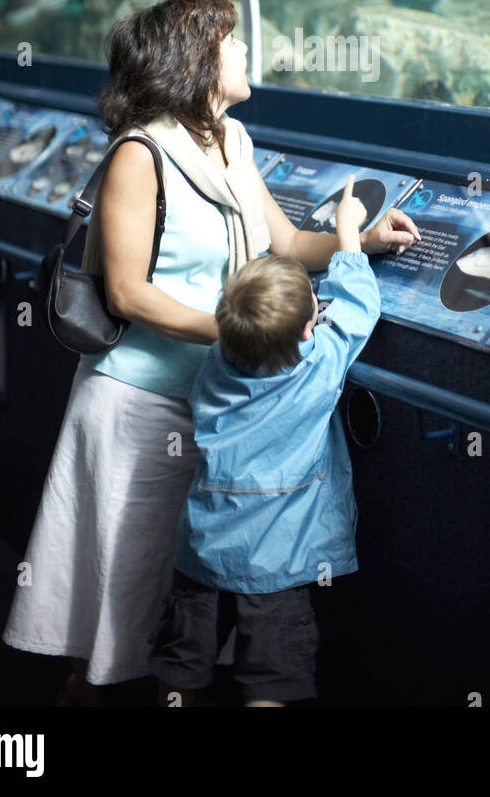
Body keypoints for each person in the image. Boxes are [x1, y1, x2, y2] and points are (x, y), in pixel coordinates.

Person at [3, 0, 419, 705]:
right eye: (232, 39)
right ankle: (84, 689)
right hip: (141, 402)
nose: (245, 49)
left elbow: (284, 243)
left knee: (185, 594)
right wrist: (236, 328)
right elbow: (129, 294)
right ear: (197, 59)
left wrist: (364, 241)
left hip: (218, 402)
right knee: (122, 583)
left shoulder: (231, 140)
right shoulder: (141, 154)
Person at [147, 174, 384, 707]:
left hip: (202, 552)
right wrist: (350, 234)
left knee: (182, 668)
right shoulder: (319, 365)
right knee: (270, 683)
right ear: (309, 330)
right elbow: (356, 308)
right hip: (278, 563)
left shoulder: (215, 362)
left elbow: (260, 330)